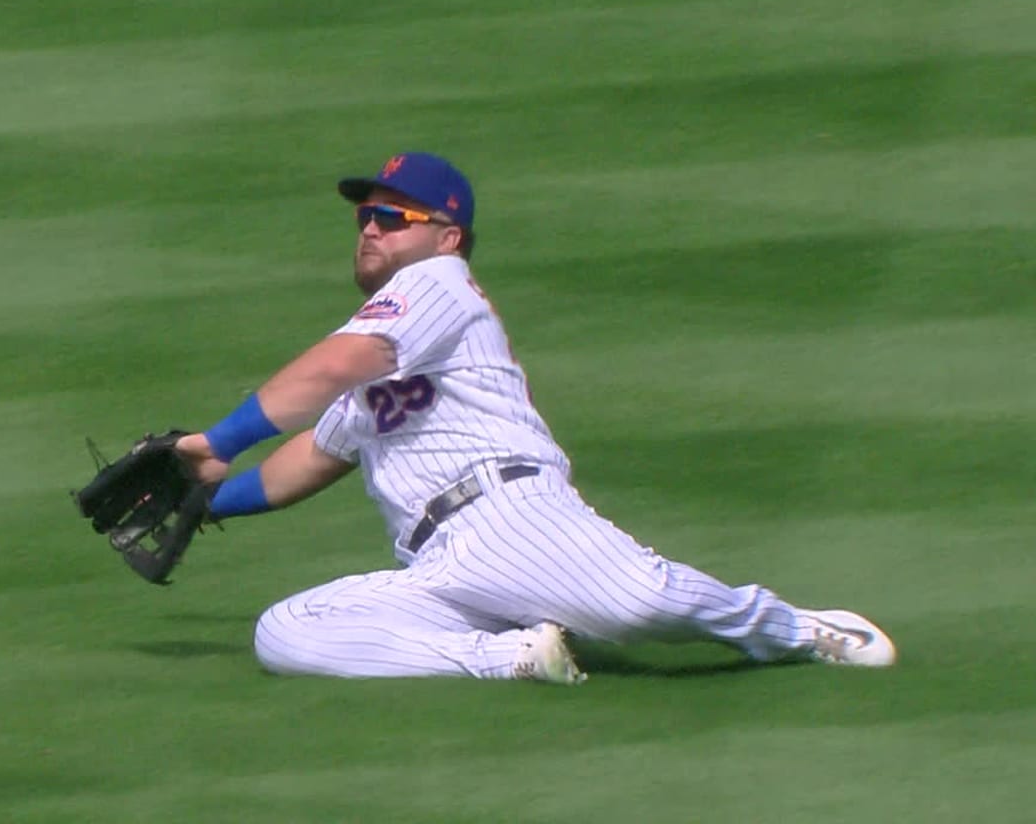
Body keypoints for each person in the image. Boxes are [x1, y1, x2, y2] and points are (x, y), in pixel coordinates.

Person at [174, 152, 896, 682]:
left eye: (394, 217)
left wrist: (217, 440)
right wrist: (207, 499)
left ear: (447, 237)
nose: (371, 229)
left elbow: (327, 369)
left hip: (513, 517)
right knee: (287, 632)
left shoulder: (437, 288)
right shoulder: (382, 345)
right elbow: (318, 453)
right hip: (438, 566)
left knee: (641, 606)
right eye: (366, 216)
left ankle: (791, 628)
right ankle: (511, 654)